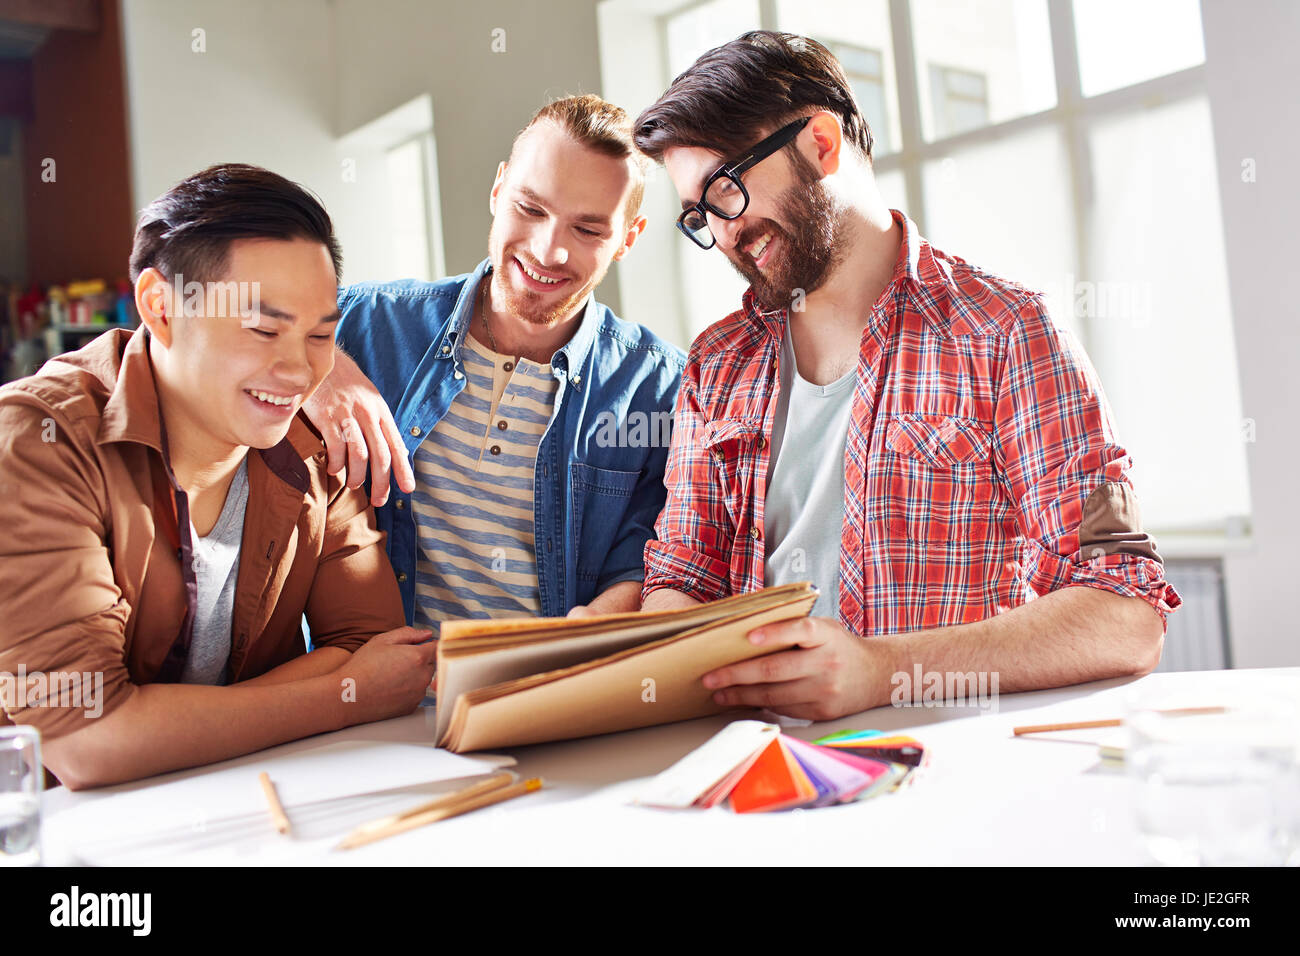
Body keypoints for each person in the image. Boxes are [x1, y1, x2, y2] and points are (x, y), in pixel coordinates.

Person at [632, 31, 1181, 720]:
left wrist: (883, 672)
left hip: (948, 774)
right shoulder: (717, 364)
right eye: (699, 215)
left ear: (820, 144)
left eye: (726, 191)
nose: (724, 233)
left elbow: (1126, 609)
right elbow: (683, 575)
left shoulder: (1010, 332)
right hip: (757, 772)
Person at [0, 164, 435, 789]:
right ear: (160, 307)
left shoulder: (313, 441)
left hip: (249, 808)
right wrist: (343, 693)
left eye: (320, 336)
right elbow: (88, 740)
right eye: (262, 329)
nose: (297, 373)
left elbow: (376, 649)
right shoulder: (41, 439)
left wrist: (165, 725)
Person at [306, 95, 685, 634]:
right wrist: (316, 360)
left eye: (588, 230)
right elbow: (210, 314)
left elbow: (648, 556)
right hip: (374, 697)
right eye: (530, 209)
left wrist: (586, 635)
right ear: (498, 188)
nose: (548, 250)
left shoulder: (663, 388)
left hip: (545, 697)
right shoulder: (366, 324)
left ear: (629, 237)